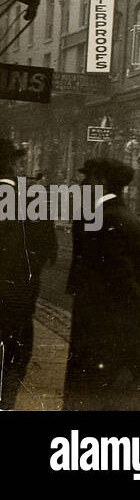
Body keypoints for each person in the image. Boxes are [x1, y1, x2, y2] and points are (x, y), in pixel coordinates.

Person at [63, 157, 140, 411]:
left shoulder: (98, 219)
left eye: (89, 178)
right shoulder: (130, 219)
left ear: (102, 182)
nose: (84, 183)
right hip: (127, 329)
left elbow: (121, 279)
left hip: (101, 332)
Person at [0, 140, 58, 410]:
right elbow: (49, 250)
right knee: (15, 347)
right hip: (18, 290)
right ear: (13, 163)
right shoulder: (32, 196)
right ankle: (6, 400)